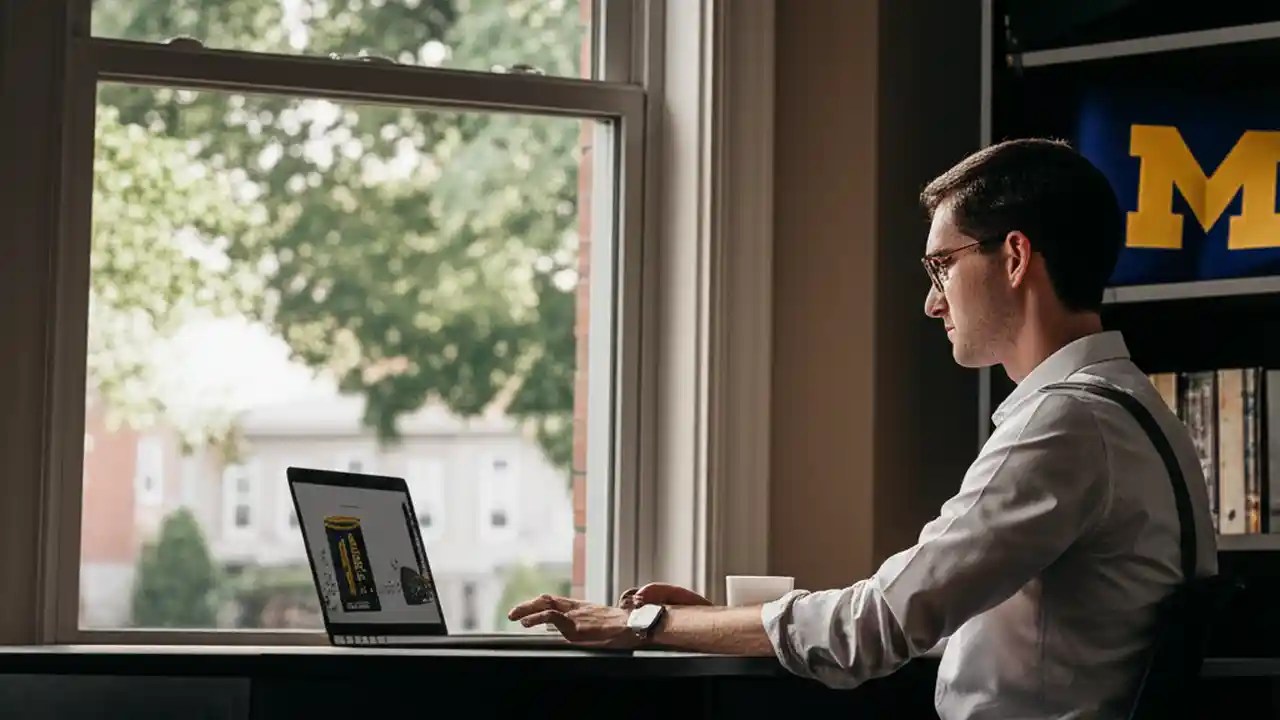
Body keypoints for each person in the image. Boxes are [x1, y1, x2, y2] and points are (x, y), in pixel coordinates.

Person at [508, 138, 1219, 719]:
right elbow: (945, 621)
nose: (931, 303)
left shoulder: (1065, 425)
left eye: (941, 266)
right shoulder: (1133, 412)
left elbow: (871, 629)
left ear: (1013, 257)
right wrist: (720, 624)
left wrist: (643, 624)